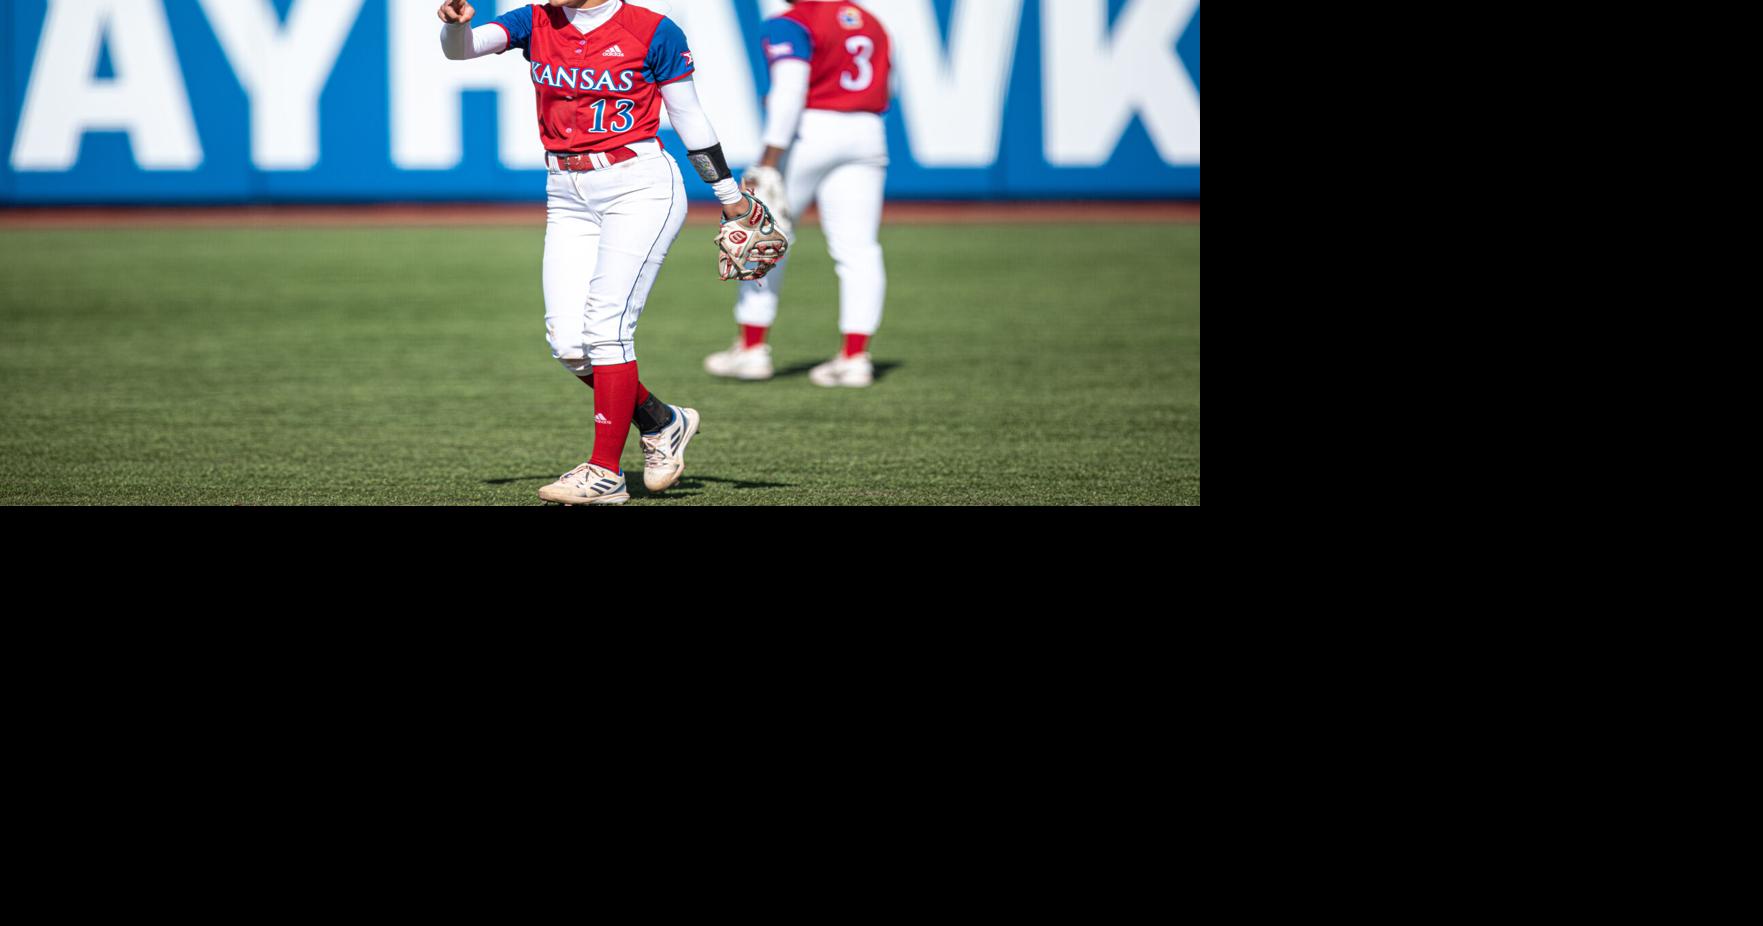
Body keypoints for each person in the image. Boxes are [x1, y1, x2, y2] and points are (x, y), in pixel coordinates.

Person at [437, 0, 785, 504]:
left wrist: (730, 197)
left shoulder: (653, 30)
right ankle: (663, 422)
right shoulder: (535, 19)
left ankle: (606, 473)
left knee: (606, 329)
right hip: (566, 188)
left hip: (639, 185)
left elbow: (689, 117)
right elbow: (463, 51)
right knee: (569, 343)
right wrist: (456, 27)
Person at [702, 0, 891, 388]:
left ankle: (752, 349)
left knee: (765, 237)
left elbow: (790, 89)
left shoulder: (794, 20)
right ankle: (855, 357)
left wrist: (769, 158)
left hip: (809, 131)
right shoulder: (869, 19)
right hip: (867, 130)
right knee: (859, 248)